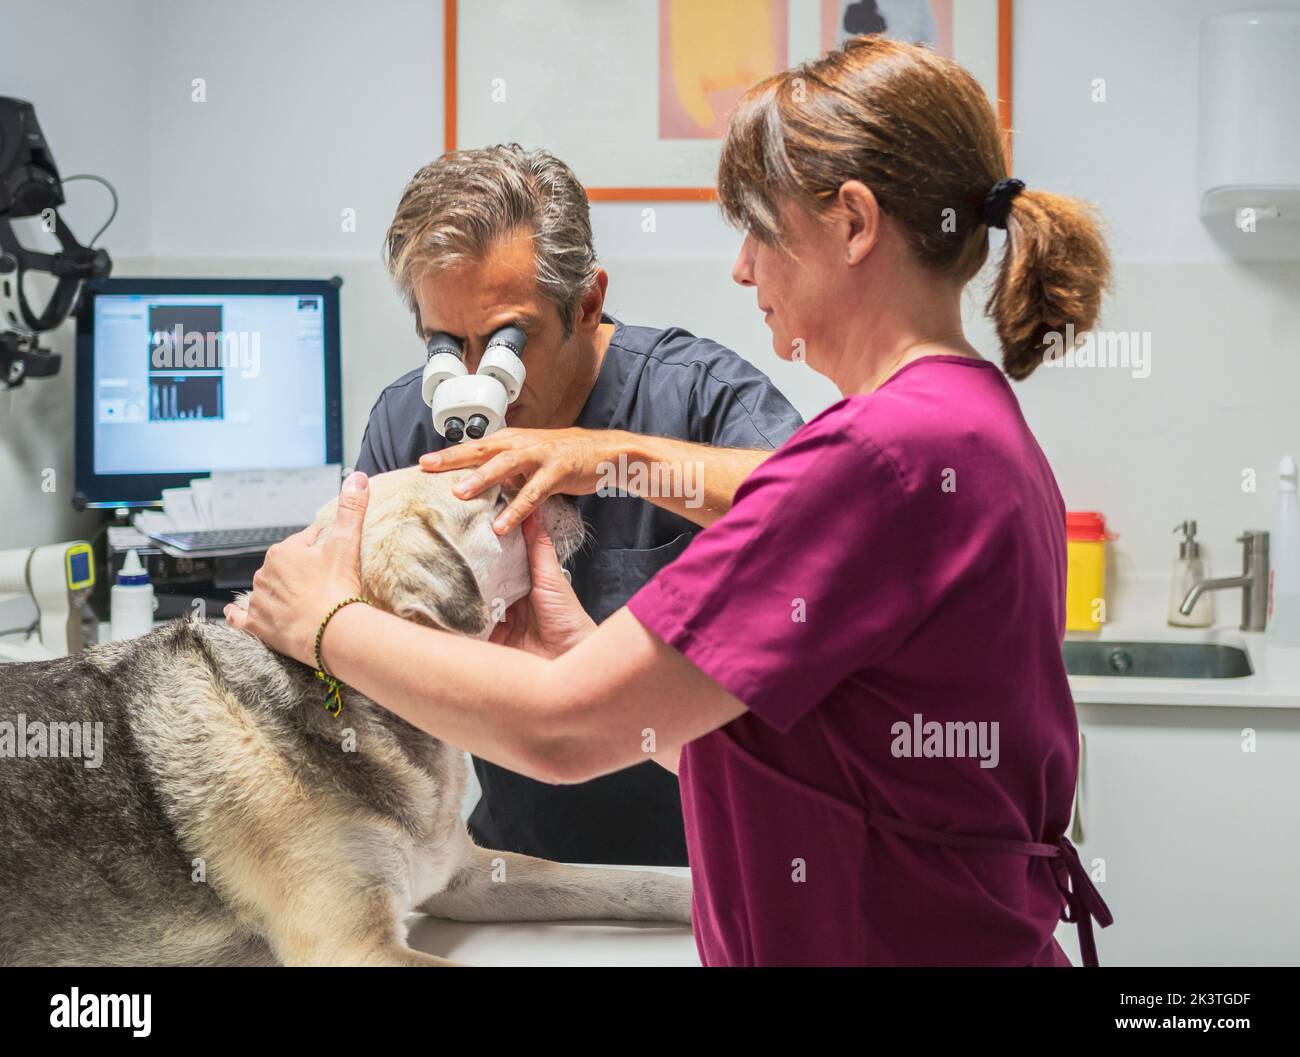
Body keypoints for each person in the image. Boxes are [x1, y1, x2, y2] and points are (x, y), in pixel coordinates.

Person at [228, 35, 1115, 966]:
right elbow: (825, 773)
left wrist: (322, 620)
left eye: (759, 231)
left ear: (854, 224)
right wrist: (589, 585)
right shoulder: (967, 424)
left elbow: (561, 728)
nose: (743, 269)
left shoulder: (879, 457)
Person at [355, 144, 803, 866]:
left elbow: (822, 506)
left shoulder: (693, 394)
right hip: (523, 867)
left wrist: (613, 456)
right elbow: (362, 646)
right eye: (448, 345)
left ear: (587, 302)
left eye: (508, 341)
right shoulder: (411, 422)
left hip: (712, 867)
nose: (476, 382)